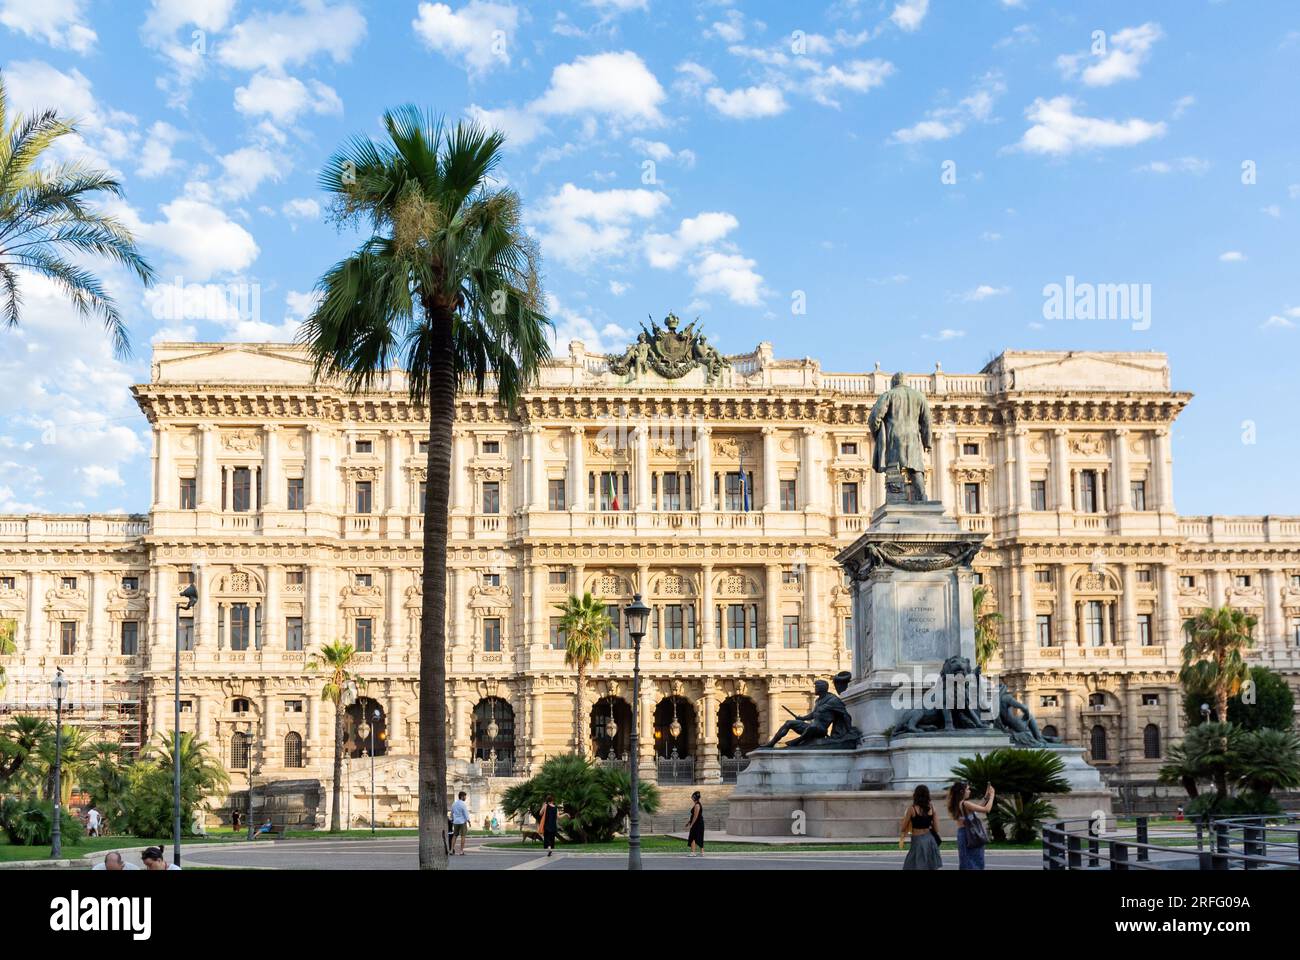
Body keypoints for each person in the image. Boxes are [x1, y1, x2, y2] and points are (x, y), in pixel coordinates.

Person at [948, 780, 995, 871]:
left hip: (963, 834)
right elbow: (986, 809)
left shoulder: (959, 804)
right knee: (974, 862)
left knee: (966, 861)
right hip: (970, 834)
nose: (969, 791)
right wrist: (992, 795)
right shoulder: (965, 803)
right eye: (968, 789)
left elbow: (976, 809)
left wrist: (986, 797)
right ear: (962, 792)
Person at [899, 785, 942, 870]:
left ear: (915, 795)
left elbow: (903, 828)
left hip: (917, 840)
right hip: (930, 839)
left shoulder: (912, 809)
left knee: (915, 864)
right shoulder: (932, 808)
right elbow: (936, 829)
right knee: (930, 865)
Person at [686, 790, 705, 857]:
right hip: (698, 823)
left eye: (692, 797)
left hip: (697, 824)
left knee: (693, 837)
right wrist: (689, 822)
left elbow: (695, 816)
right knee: (698, 836)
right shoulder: (697, 804)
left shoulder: (697, 805)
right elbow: (694, 815)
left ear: (694, 797)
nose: (692, 798)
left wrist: (691, 824)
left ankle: (693, 852)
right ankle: (702, 852)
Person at [450, 791, 470, 856]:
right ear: (462, 796)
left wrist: (452, 819)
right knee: (463, 836)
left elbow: (452, 813)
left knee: (454, 836)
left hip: (455, 821)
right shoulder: (463, 804)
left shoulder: (454, 804)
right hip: (462, 822)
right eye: (465, 796)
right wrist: (468, 821)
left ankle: (451, 850)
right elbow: (465, 813)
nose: (465, 798)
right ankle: (461, 851)